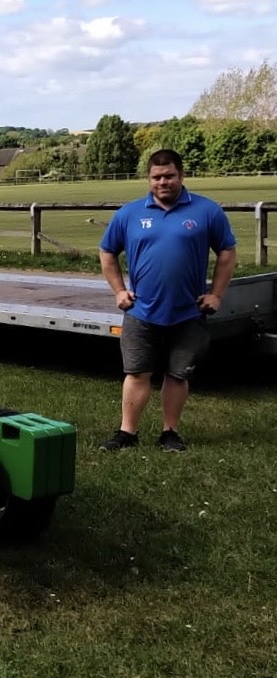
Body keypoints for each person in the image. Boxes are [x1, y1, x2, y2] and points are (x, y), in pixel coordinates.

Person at [98, 149, 237, 453]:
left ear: (181, 175)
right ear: (149, 179)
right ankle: (127, 432)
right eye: (156, 177)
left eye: (169, 176)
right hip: (141, 311)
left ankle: (169, 432)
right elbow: (107, 251)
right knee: (137, 372)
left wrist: (216, 294)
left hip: (188, 312)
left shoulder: (206, 211)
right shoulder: (130, 214)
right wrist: (119, 291)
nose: (163, 182)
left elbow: (227, 251)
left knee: (177, 374)